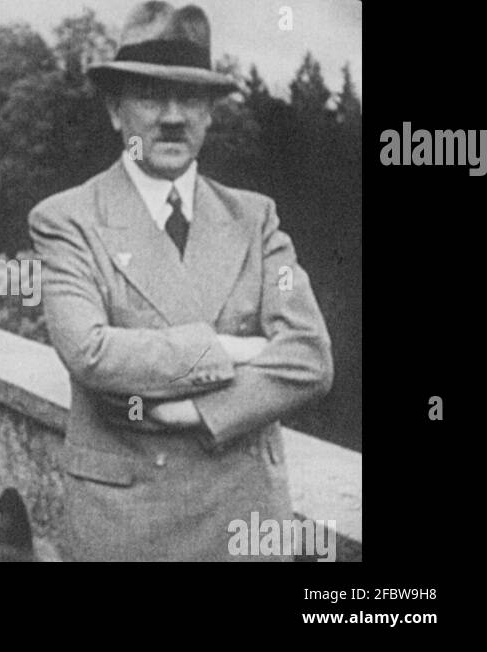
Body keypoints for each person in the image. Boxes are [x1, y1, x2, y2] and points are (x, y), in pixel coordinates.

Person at [28, 1, 333, 561]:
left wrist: (192, 412)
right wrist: (230, 348)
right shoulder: (68, 219)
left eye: (190, 98)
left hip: (244, 518)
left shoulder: (254, 218)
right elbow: (92, 353)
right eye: (151, 97)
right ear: (116, 111)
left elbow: (310, 357)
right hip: (128, 523)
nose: (173, 117)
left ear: (210, 113)